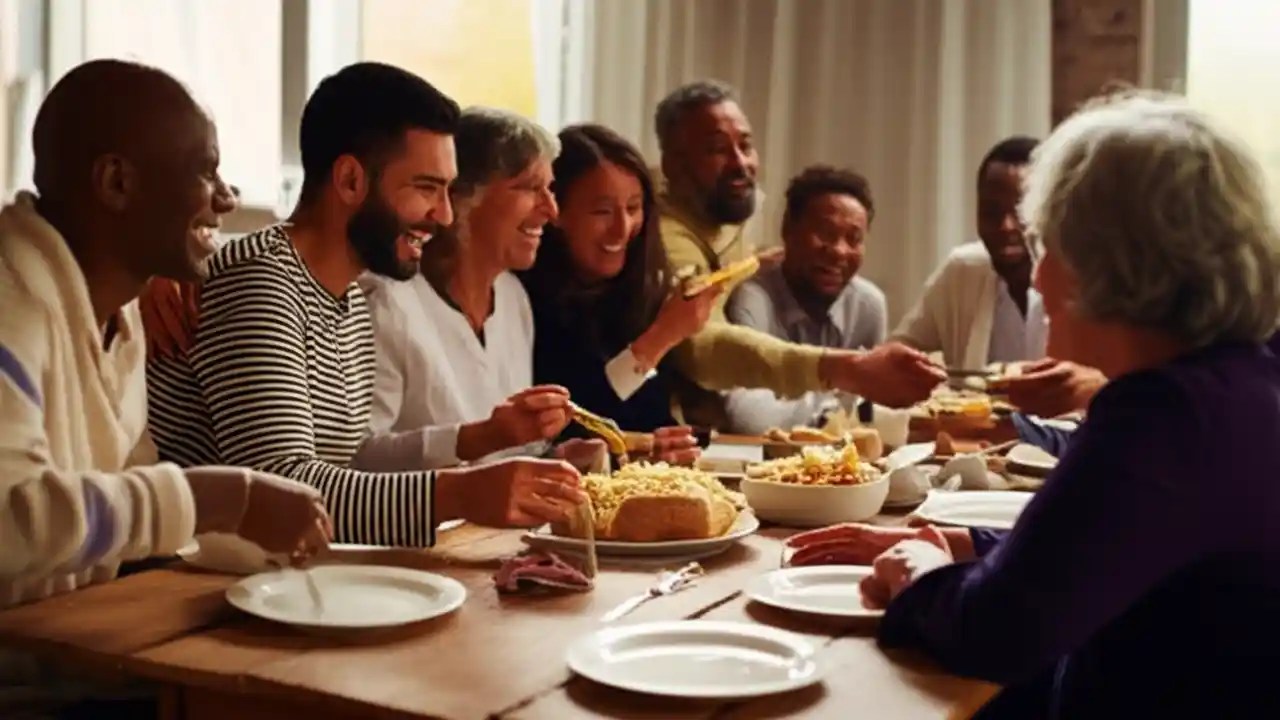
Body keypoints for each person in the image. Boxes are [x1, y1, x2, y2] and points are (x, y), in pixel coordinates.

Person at [855, 92, 1280, 717]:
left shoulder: (1161, 416)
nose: (1041, 275)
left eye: (1050, 245)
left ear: (1113, 261)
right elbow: (1115, 541)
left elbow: (997, 633)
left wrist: (916, 569)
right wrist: (967, 542)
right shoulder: (1244, 381)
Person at [0, 59, 332, 718]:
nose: (227, 196)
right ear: (117, 182)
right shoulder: (12, 303)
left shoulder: (119, 315)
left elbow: (126, 501)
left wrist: (247, 548)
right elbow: (9, 521)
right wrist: (223, 496)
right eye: (205, 171)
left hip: (60, 667)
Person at [143, 63, 583, 547]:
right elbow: (280, 493)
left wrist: (481, 440)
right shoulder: (258, 281)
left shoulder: (349, 294)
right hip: (190, 583)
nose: (444, 215)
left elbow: (350, 460)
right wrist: (459, 493)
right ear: (351, 180)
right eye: (426, 188)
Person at [652, 80, 944, 419]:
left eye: (745, 145)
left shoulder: (719, 207)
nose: (740, 163)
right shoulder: (666, 238)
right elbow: (701, 347)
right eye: (717, 149)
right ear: (674, 165)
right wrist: (842, 369)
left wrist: (752, 261)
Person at [356, 107, 580, 470]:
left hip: (497, 527)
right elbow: (358, 458)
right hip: (417, 527)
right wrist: (482, 437)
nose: (551, 210)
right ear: (460, 198)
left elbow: (506, 458)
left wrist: (555, 458)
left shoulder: (512, 297)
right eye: (528, 187)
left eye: (549, 188)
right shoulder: (384, 304)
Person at [517, 123, 713, 463]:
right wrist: (660, 338)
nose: (623, 228)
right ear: (555, 211)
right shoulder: (525, 300)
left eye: (634, 208)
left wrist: (668, 444)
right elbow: (572, 424)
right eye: (602, 211)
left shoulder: (637, 290)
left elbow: (649, 419)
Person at [725, 165, 888, 433]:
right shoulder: (753, 298)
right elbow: (749, 419)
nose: (839, 251)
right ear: (788, 229)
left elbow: (871, 416)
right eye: (825, 233)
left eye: (854, 238)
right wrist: (837, 400)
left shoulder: (868, 305)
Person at [891, 136, 1046, 369]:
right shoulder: (964, 270)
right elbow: (897, 353)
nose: (1006, 226)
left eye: (1021, 211)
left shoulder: (1084, 281)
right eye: (991, 211)